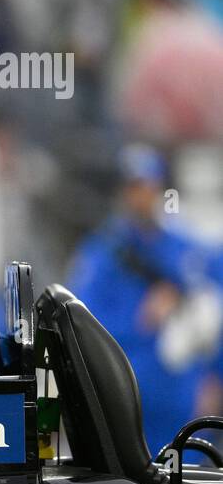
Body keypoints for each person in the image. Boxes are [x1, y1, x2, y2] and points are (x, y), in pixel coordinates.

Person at [68, 145, 223, 456]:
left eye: (149, 187)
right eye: (134, 188)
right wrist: (142, 318)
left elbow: (215, 315)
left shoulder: (190, 250)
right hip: (126, 397)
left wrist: (216, 377)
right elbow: (82, 324)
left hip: (183, 396)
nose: (142, 196)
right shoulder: (101, 255)